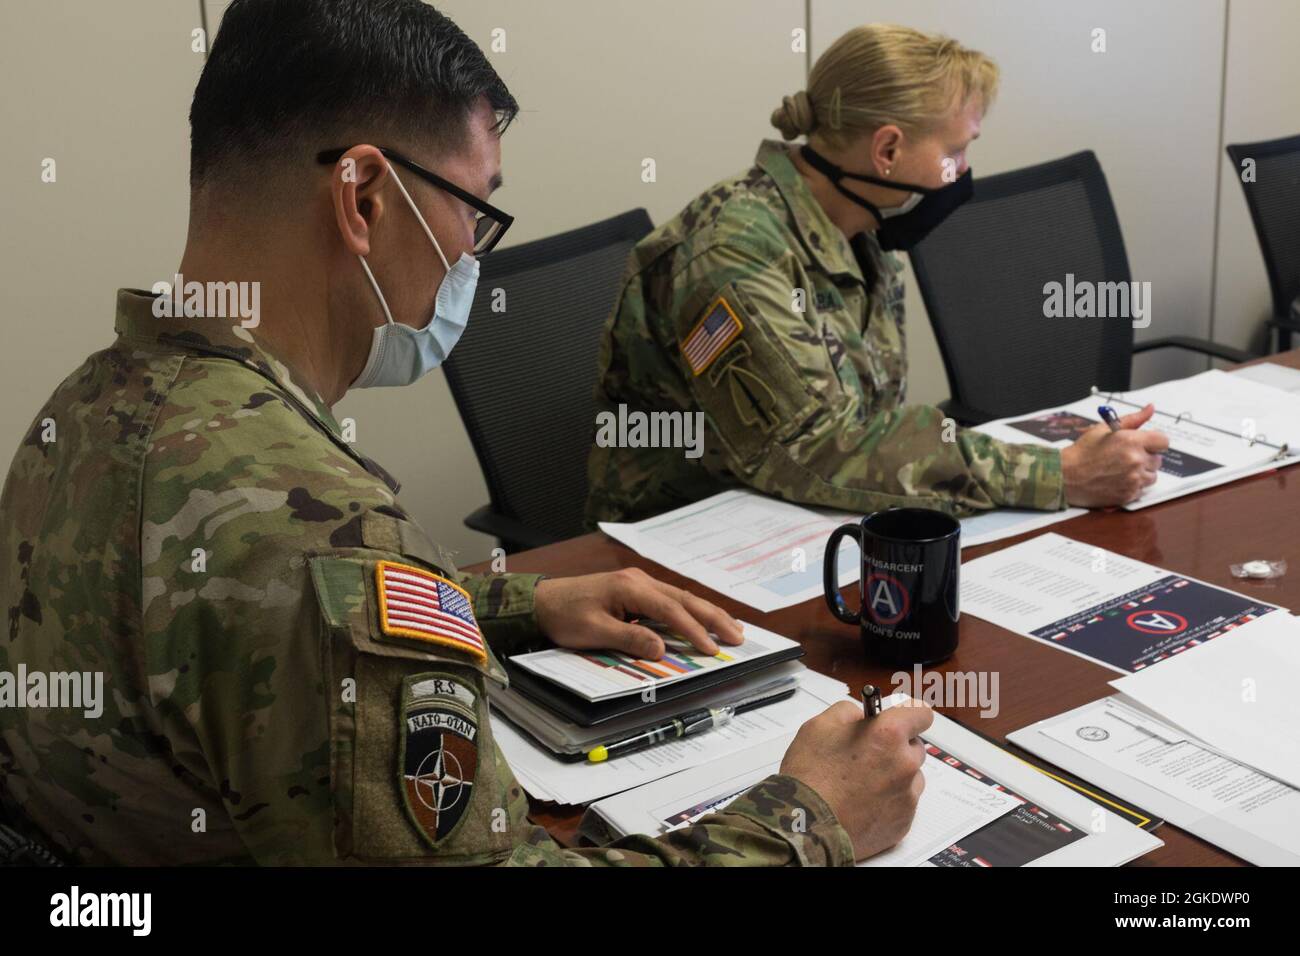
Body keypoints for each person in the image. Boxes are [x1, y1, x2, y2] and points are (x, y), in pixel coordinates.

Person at [0, 0, 930, 866]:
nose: (470, 257)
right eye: (474, 212)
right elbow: (301, 590)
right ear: (363, 197)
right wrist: (811, 816)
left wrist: (524, 606)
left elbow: (250, 628)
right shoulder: (305, 531)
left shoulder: (89, 405)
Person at [585, 23, 1168, 526]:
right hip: (682, 555)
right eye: (956, 153)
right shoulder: (734, 250)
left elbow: (871, 429)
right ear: (886, 150)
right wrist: (1059, 473)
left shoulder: (867, 230)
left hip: (808, 520)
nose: (963, 173)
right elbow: (811, 449)